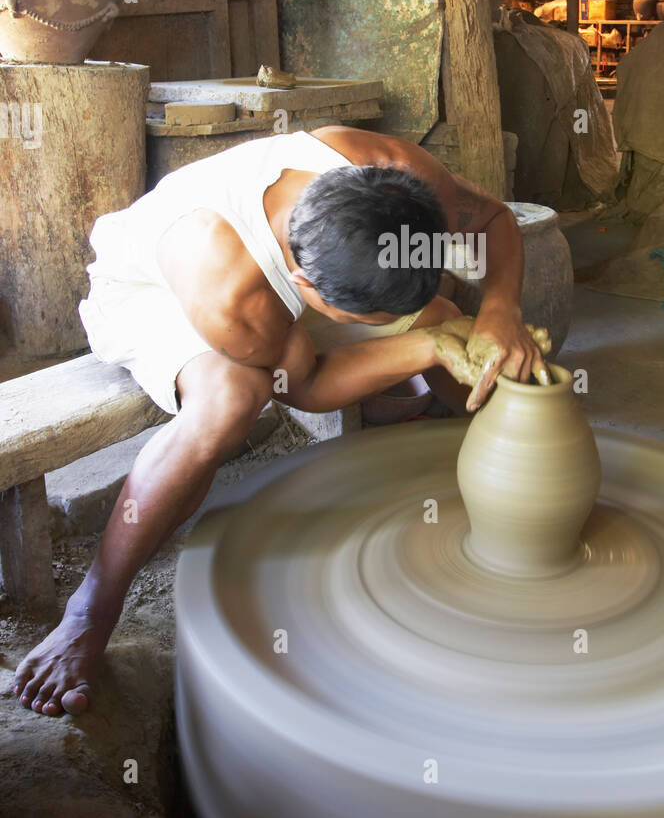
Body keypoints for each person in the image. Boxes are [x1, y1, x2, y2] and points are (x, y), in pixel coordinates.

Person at [13, 125, 548, 717]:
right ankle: (91, 610)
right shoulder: (232, 297)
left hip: (296, 275)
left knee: (448, 317)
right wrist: (429, 347)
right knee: (232, 398)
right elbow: (305, 383)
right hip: (154, 289)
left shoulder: (395, 168)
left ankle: (495, 474)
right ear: (305, 289)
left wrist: (499, 310)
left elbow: (496, 219)